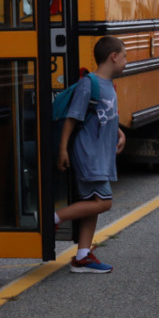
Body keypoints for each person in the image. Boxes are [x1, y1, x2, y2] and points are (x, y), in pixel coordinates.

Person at [57, 36, 128, 272]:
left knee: (92, 202)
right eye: (124, 56)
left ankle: (83, 255)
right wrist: (63, 149)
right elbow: (73, 117)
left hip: (101, 156)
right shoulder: (90, 83)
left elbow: (104, 115)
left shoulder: (107, 85)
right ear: (113, 56)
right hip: (89, 155)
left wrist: (120, 133)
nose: (126, 62)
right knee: (104, 202)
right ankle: (54, 218)